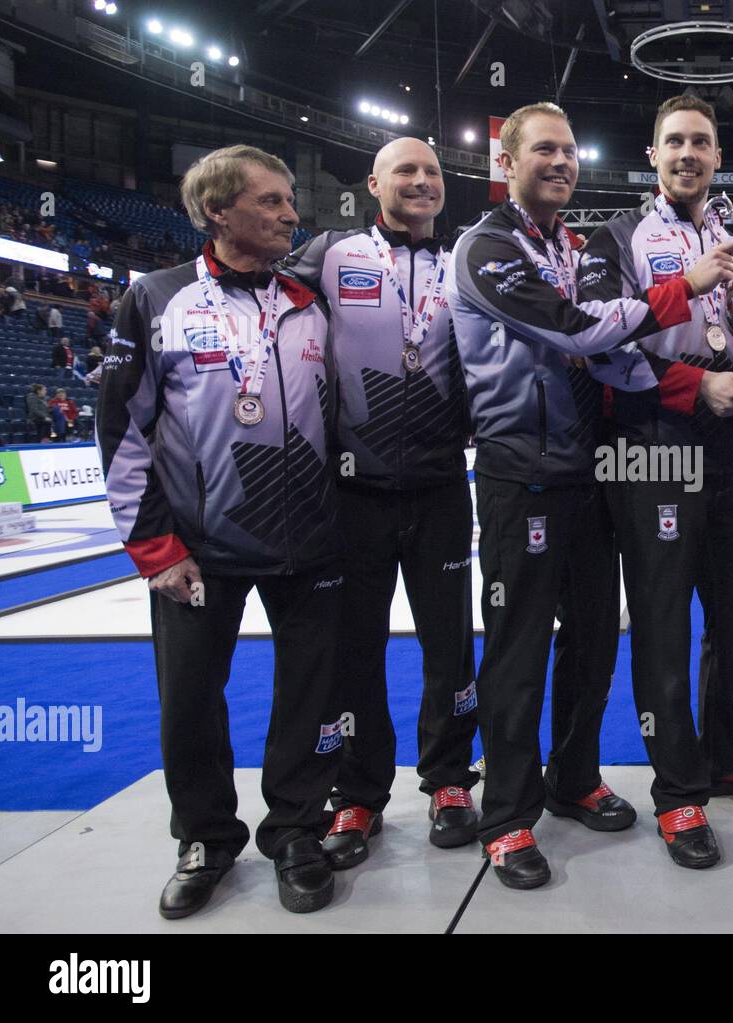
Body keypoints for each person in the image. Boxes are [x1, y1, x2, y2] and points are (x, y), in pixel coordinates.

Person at [449, 101, 732, 889]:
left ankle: (571, 777)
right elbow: (576, 330)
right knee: (518, 647)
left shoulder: (568, 246)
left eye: (570, 151)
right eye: (544, 150)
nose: (562, 163)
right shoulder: (489, 248)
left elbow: (609, 342)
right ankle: (505, 817)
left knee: (594, 640)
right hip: (523, 473)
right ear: (506, 162)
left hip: (588, 471)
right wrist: (683, 288)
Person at [97, 144, 345, 919]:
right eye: (270, 201)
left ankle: (297, 829)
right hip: (199, 547)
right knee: (190, 698)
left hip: (308, 538)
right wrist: (155, 549)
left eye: (288, 201)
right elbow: (121, 431)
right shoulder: (155, 298)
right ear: (218, 210)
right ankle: (205, 834)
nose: (289, 214)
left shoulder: (309, 298)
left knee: (307, 694)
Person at [576, 93, 733, 871]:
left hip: (726, 444)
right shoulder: (617, 236)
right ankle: (677, 794)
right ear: (653, 154)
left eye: (701, 142)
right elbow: (597, 346)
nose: (688, 154)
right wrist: (693, 387)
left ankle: (719, 751)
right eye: (674, 141)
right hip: (652, 444)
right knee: (665, 625)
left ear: (717, 157)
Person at [279, 137, 482, 866]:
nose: (422, 180)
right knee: (353, 650)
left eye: (431, 171)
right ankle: (358, 793)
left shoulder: (464, 263)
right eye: (406, 170)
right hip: (351, 490)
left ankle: (451, 777)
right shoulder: (329, 255)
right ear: (374, 184)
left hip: (439, 486)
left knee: (449, 642)